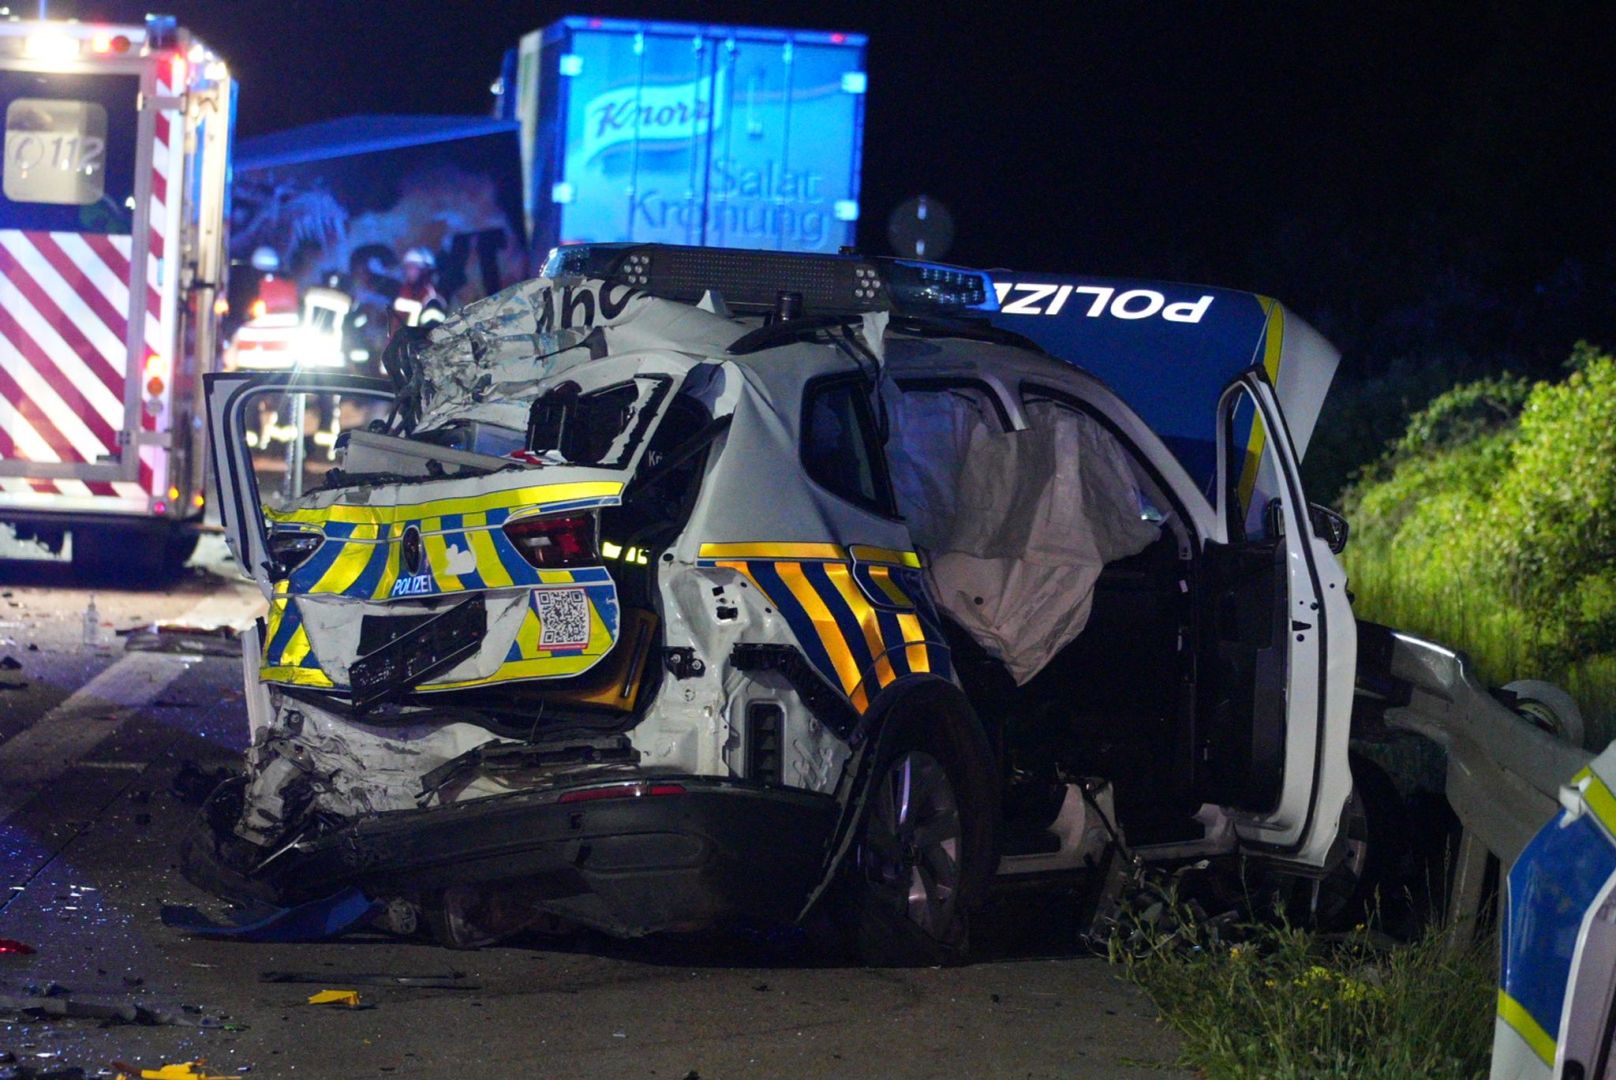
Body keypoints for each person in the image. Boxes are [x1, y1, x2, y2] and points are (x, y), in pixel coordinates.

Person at [390, 247, 446, 334]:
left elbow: (432, 332)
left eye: (412, 267)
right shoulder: (403, 293)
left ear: (425, 270)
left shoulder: (432, 299)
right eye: (407, 267)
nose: (408, 272)